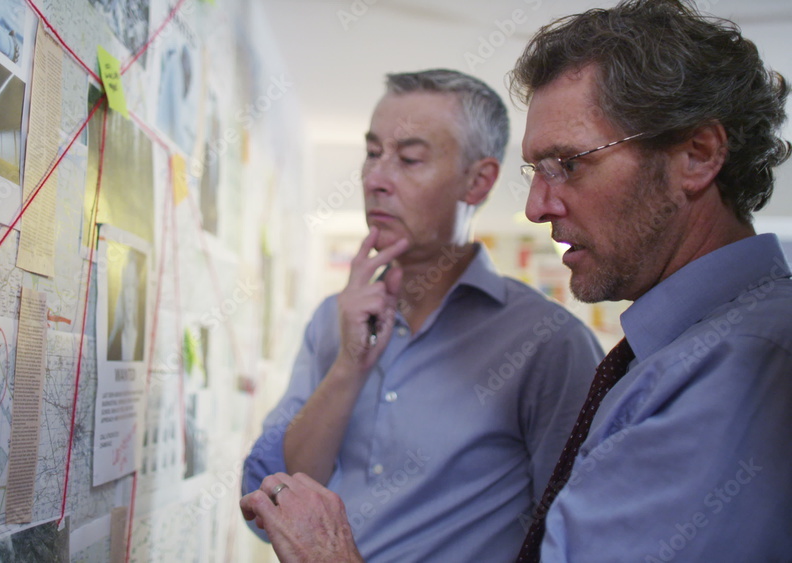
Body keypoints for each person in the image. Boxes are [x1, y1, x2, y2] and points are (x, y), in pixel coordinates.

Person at [241, 1, 792, 562]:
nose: (535, 208)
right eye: (372, 154)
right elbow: (262, 490)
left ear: (697, 155)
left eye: (569, 164)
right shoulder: (667, 353)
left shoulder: (744, 363)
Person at [241, 69, 603, 561]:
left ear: (478, 182)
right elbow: (275, 500)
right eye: (372, 154)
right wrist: (349, 367)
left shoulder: (547, 343)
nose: (375, 179)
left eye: (409, 159)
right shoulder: (332, 320)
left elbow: (576, 541)